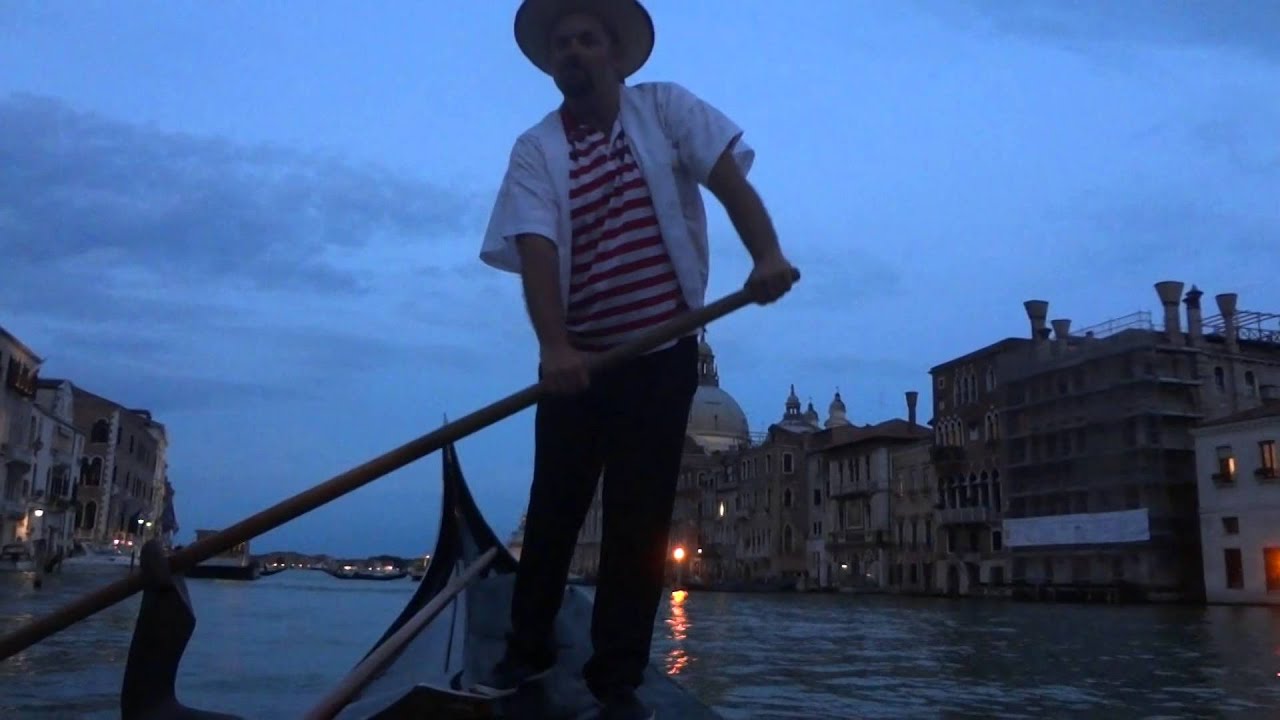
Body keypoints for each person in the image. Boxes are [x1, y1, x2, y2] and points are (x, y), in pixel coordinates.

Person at [475, 1, 796, 717]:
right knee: (554, 510)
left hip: (662, 354)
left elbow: (729, 182)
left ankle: (616, 676)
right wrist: (555, 348)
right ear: (552, 62)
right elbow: (537, 248)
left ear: (615, 54)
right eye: (562, 44)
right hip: (579, 360)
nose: (574, 52)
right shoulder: (536, 149)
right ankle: (525, 653)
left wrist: (766, 254)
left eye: (587, 40)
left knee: (638, 520)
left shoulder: (666, 111)